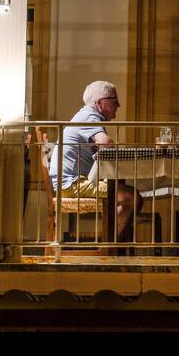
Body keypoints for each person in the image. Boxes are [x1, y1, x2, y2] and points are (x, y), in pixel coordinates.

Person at [50, 80, 136, 241]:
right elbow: (105, 143)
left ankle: (111, 241)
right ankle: (111, 244)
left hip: (70, 182)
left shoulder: (88, 116)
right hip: (72, 184)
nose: (119, 105)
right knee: (132, 197)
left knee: (125, 193)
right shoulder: (89, 116)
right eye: (115, 101)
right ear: (100, 103)